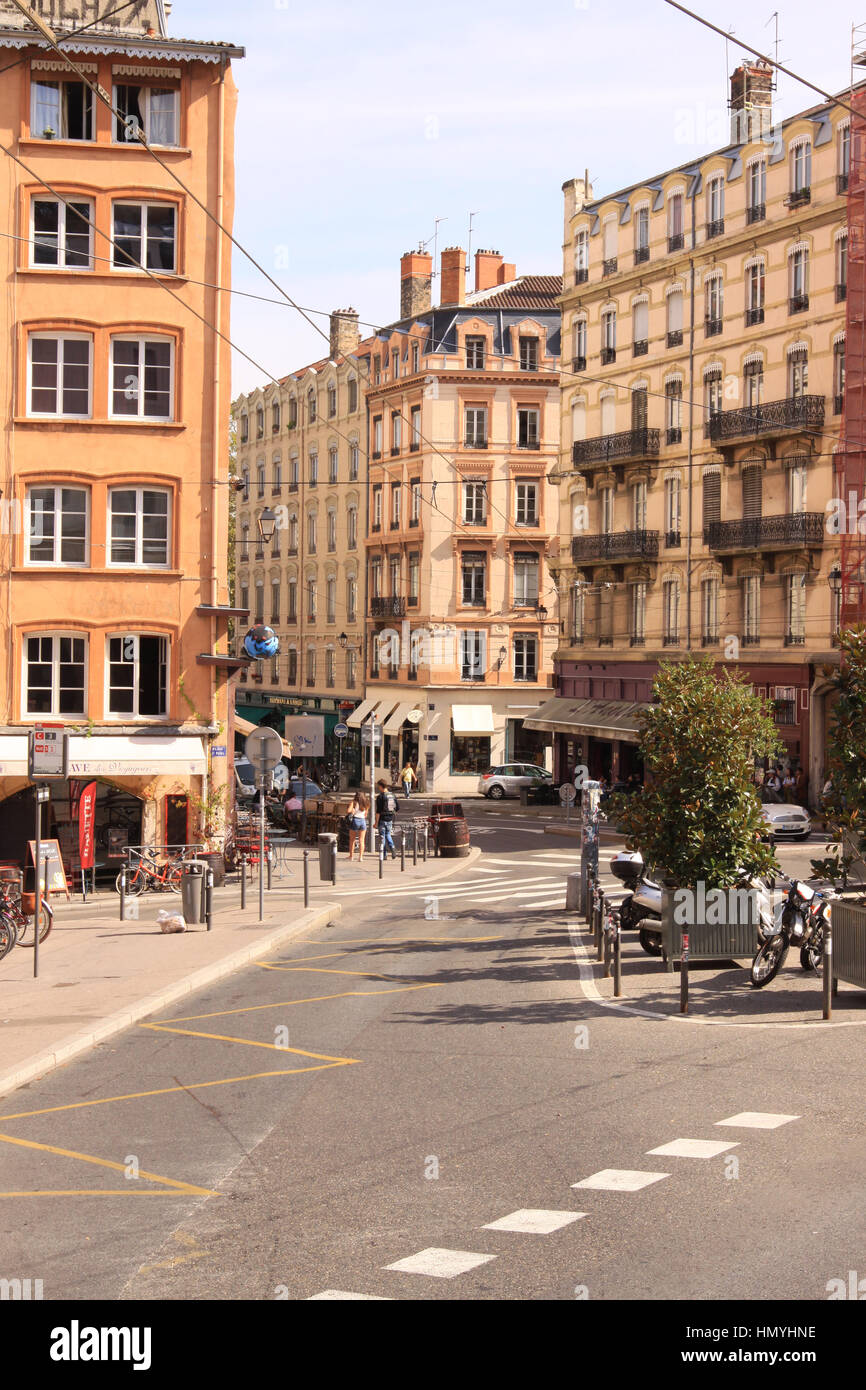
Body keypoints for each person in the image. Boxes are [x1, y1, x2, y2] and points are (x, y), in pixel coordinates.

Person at [375, 778, 398, 860]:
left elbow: (378, 811)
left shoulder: (380, 797)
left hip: (382, 819)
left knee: (382, 837)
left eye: (378, 787)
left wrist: (376, 823)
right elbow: (397, 808)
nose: (378, 788)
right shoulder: (392, 795)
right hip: (390, 819)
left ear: (381, 786)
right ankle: (392, 848)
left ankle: (384, 854)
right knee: (388, 834)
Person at [347, 791, 369, 863]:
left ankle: (351, 856)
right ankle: (360, 857)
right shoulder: (366, 803)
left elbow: (348, 811)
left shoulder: (354, 802)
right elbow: (366, 815)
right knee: (361, 840)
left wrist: (353, 811)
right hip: (363, 821)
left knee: (352, 840)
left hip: (355, 820)